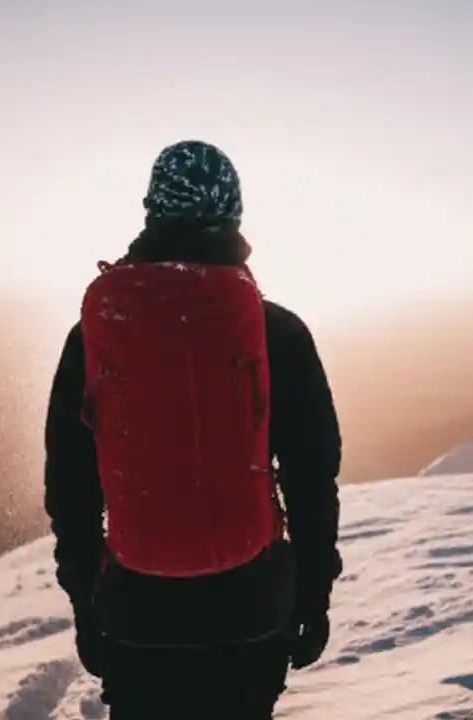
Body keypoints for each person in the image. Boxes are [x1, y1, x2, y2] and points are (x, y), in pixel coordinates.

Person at [44, 140, 342, 718]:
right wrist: (314, 599)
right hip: (251, 611)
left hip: (138, 615)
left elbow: (72, 486)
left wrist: (87, 604)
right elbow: (312, 477)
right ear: (234, 218)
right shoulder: (276, 333)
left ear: (152, 211)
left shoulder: (96, 338)